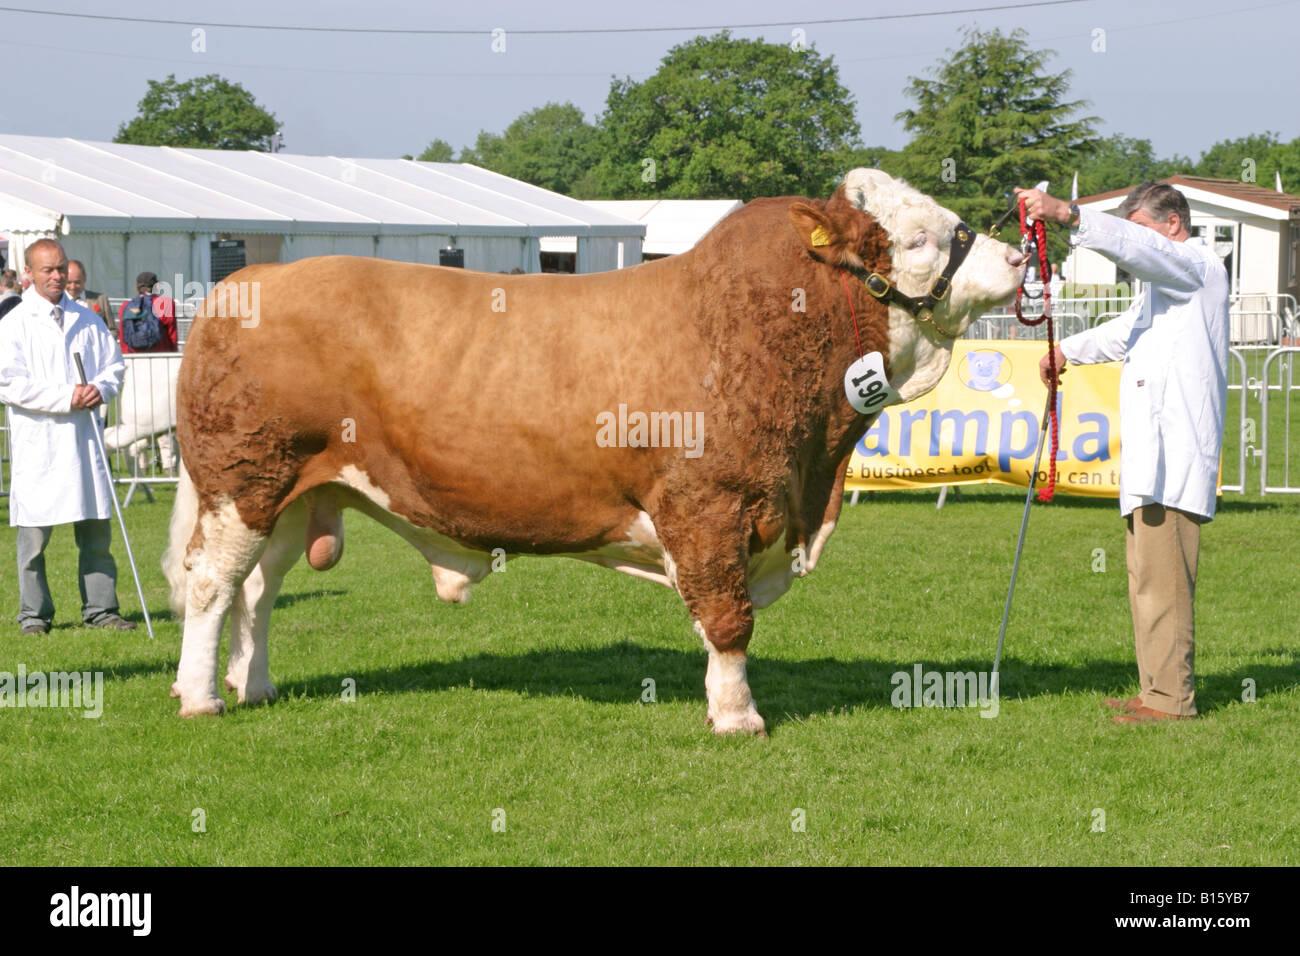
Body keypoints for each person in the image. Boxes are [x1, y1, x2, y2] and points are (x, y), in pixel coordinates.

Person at [1015, 181, 1229, 724]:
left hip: (1175, 459)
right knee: (1146, 581)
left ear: (1173, 225)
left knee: (1166, 585)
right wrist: (1067, 350)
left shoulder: (1196, 267)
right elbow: (1124, 333)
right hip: (1152, 462)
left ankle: (1172, 701)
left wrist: (1067, 215)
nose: (1135, 244)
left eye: (1141, 227)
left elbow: (1142, 250)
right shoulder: (1162, 291)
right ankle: (1154, 688)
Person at [0, 238, 135, 633]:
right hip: (39, 445)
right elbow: (8, 384)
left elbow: (114, 367)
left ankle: (101, 610)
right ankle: (34, 615)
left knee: (95, 533)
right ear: (28, 273)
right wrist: (66, 396)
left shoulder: (87, 319)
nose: (57, 276)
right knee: (34, 543)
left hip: (84, 440)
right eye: (48, 270)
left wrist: (100, 388)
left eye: (61, 269)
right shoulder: (13, 324)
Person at [116, 270, 178, 353]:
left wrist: (126, 355)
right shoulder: (166, 303)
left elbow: (122, 334)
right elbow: (172, 333)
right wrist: (173, 353)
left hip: (133, 356)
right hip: (161, 356)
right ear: (157, 287)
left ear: (136, 288)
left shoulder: (125, 306)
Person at [66, 259, 115, 333]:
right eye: (69, 282)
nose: (73, 287)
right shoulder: (56, 302)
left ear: (84, 279)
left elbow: (112, 329)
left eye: (77, 282)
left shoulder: (101, 300)